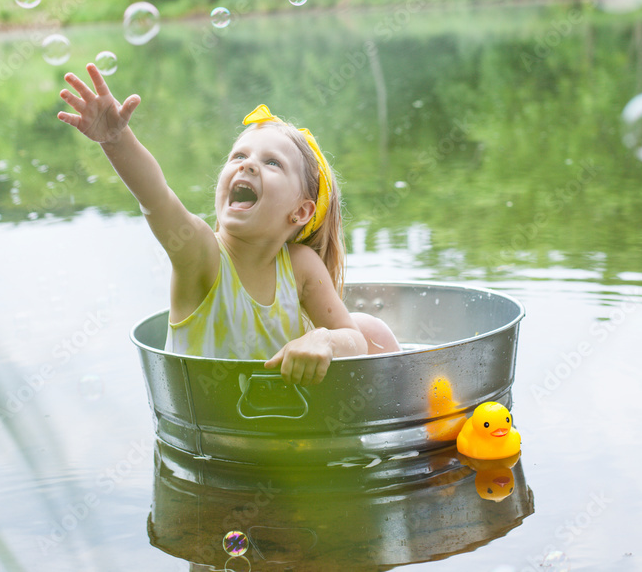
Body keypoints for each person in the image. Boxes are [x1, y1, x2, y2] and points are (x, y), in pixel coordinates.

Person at [58, 64, 400, 386]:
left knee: (371, 331)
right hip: (213, 432)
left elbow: (352, 340)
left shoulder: (299, 266)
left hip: (290, 426)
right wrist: (116, 140)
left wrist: (322, 338)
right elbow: (156, 197)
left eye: (271, 162)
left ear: (301, 212)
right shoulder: (202, 255)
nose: (248, 165)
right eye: (239, 156)